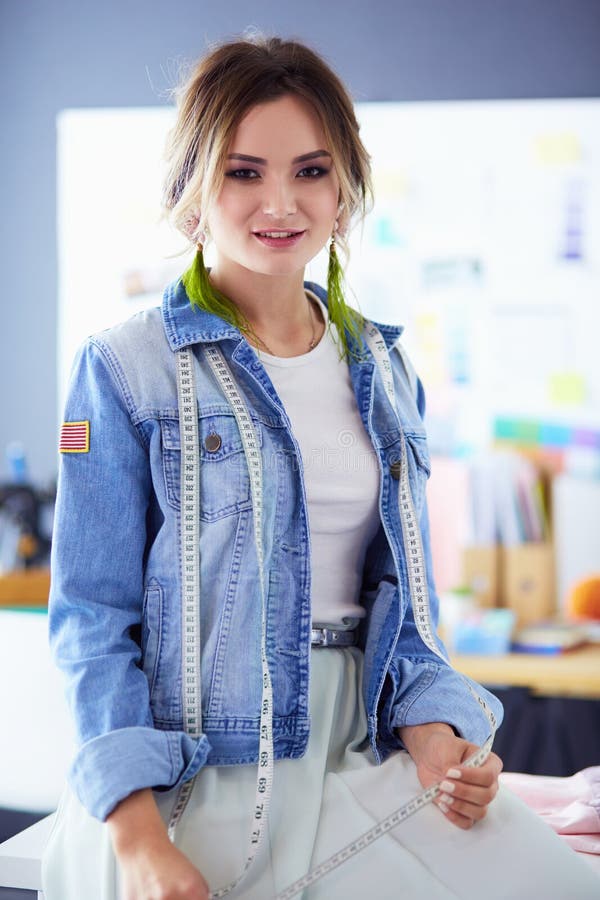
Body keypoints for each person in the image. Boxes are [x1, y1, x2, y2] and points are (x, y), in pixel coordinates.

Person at [42, 32, 599, 900]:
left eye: (311, 170)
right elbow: (90, 620)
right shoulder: (125, 367)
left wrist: (439, 731)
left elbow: (403, 610)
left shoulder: (384, 366)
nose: (281, 201)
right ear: (192, 193)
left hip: (359, 746)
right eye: (243, 171)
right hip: (198, 769)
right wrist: (140, 839)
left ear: (344, 191)